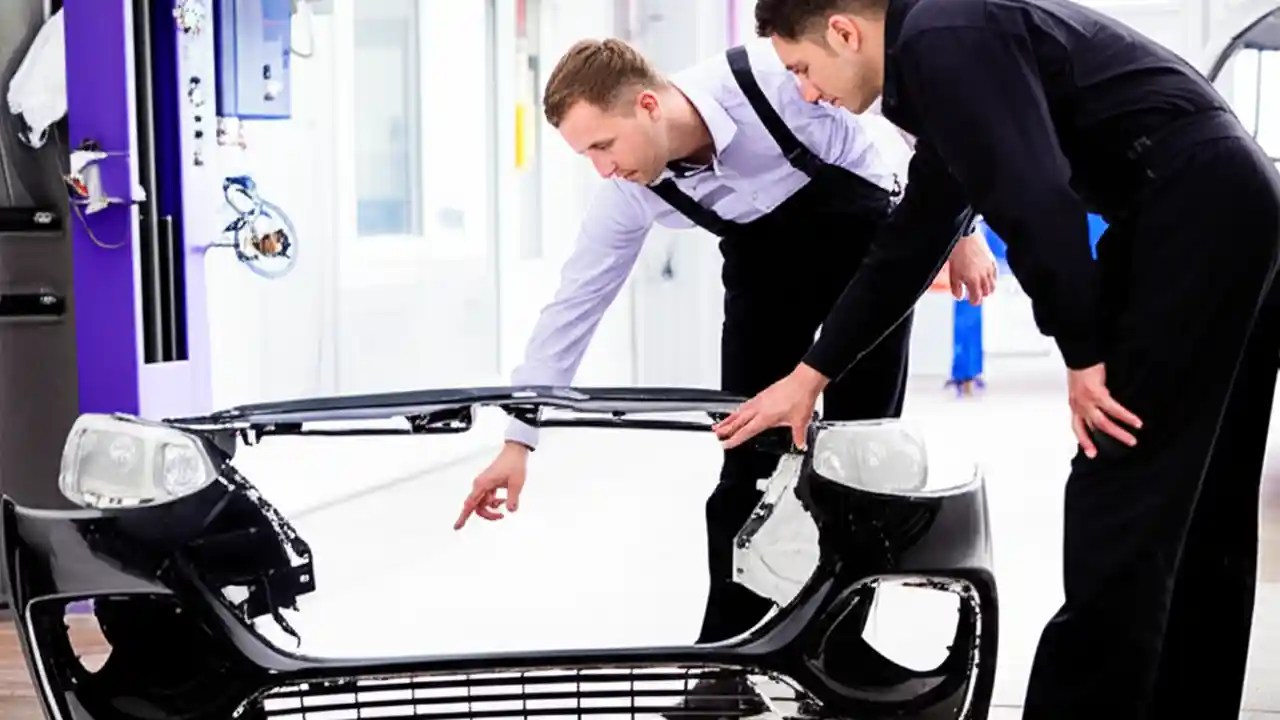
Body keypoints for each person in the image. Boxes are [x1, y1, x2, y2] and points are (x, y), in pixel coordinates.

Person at [713, 0, 1280, 718]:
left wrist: (1084, 350)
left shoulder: (943, 38)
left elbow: (1038, 199)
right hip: (1228, 200)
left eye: (801, 68)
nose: (806, 91)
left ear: (845, 32)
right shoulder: (952, 52)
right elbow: (913, 239)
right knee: (1199, 501)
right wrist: (810, 375)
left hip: (1193, 209)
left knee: (1125, 494)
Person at [452, 36, 998, 644]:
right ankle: (728, 658)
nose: (602, 168)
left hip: (866, 256)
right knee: (746, 466)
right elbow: (573, 306)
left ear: (650, 107)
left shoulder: (776, 74)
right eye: (587, 155)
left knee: (862, 460)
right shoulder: (628, 193)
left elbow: (920, 104)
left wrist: (959, 230)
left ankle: (840, 651)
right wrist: (518, 437)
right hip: (763, 277)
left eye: (604, 145)